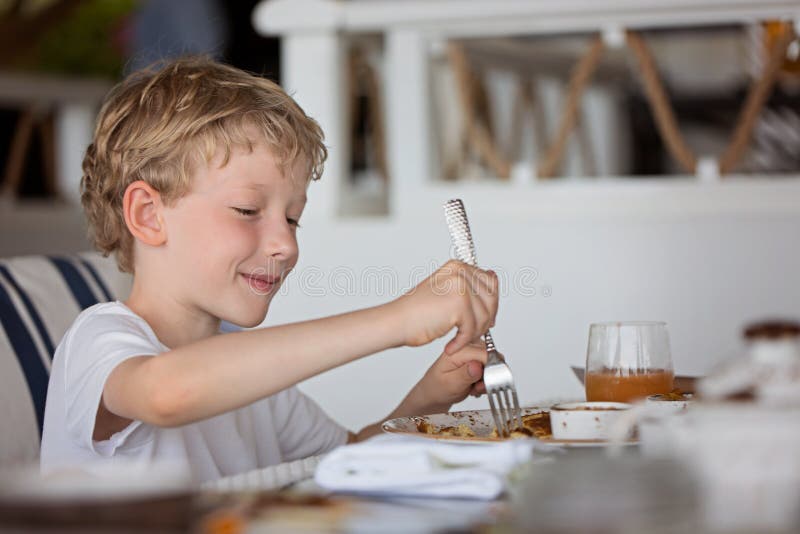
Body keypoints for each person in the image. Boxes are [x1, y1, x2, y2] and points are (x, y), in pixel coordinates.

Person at [40, 57, 498, 483]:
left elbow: (350, 462)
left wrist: (432, 396)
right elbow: (166, 393)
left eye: (293, 218)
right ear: (148, 215)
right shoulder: (99, 341)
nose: (286, 245)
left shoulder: (256, 381)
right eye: (247, 210)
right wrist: (397, 320)